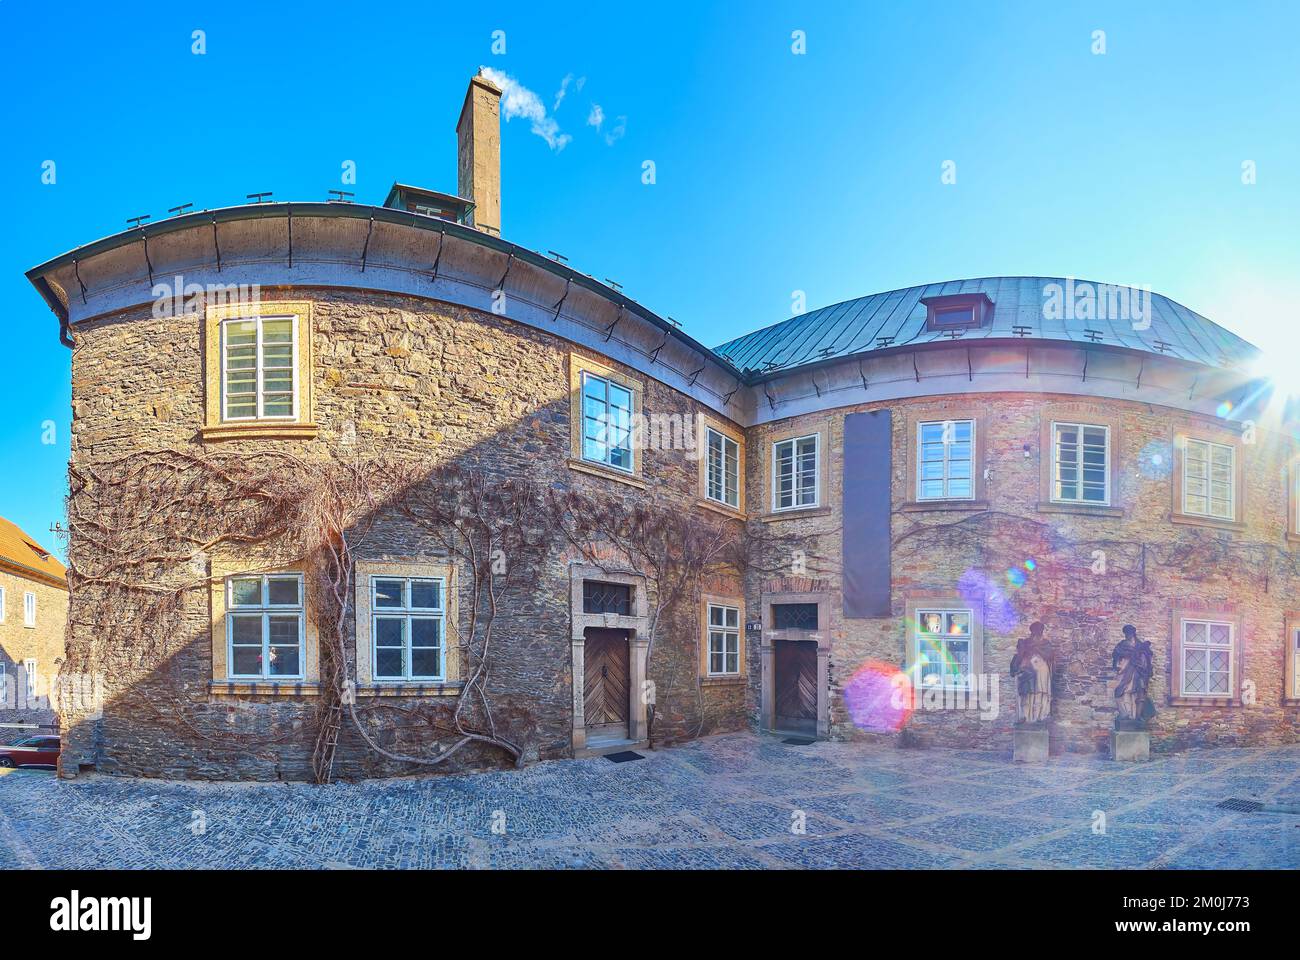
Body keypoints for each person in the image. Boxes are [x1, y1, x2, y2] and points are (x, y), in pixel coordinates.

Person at [1111, 624, 1155, 728]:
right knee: (1122, 691)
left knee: (1140, 693)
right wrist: (1119, 663)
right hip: (1126, 670)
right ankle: (1125, 714)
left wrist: (1143, 663)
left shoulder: (1140, 645)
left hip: (1139, 672)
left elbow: (1147, 657)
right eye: (1126, 633)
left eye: (1129, 632)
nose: (1127, 635)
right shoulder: (1122, 645)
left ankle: (1137, 716)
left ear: (1133, 633)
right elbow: (1116, 654)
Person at [1010, 621, 1053, 724]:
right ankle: (1026, 717)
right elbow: (1020, 654)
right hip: (1028, 669)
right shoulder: (1026, 642)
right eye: (1035, 630)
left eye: (1039, 630)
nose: (1037, 632)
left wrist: (1037, 648)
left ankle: (1040, 716)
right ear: (1032, 631)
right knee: (1028, 693)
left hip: (1042, 669)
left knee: (1040, 693)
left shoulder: (1045, 643)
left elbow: (1049, 656)